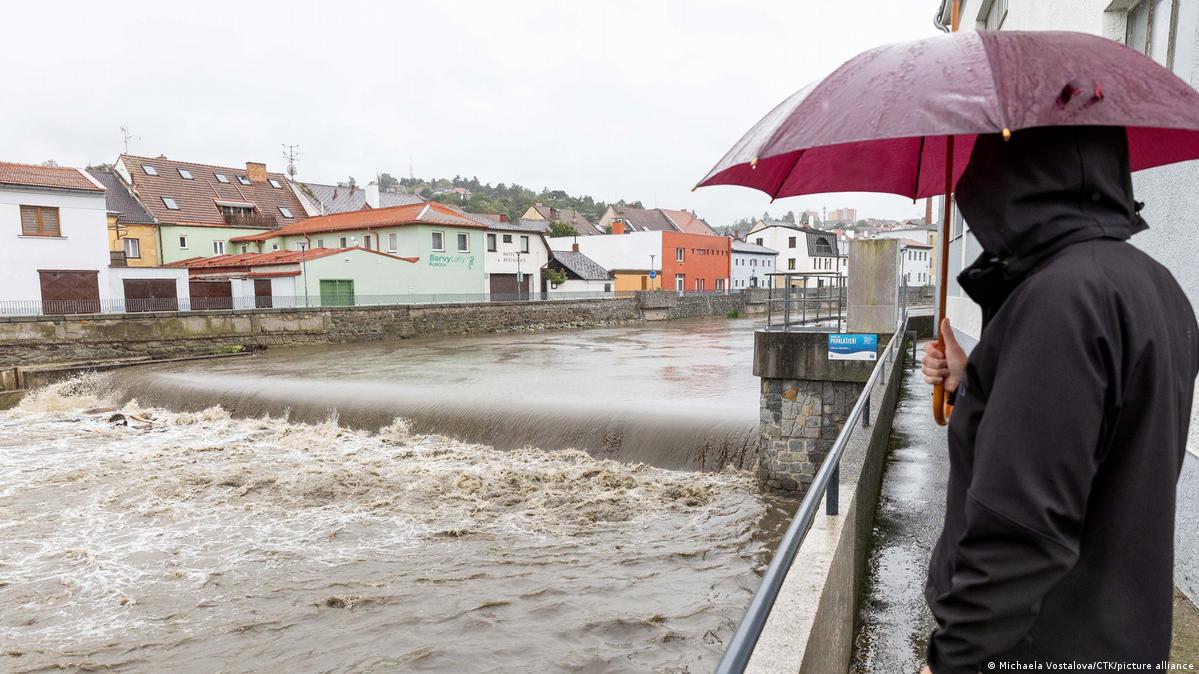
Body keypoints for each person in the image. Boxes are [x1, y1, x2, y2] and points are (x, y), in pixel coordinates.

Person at [918, 126, 1198, 674]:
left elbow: (1023, 525)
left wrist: (952, 658)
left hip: (1041, 644)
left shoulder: (1060, 299)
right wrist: (973, 382)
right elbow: (1096, 435)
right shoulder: (1156, 286)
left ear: (1013, 183)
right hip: (1122, 634)